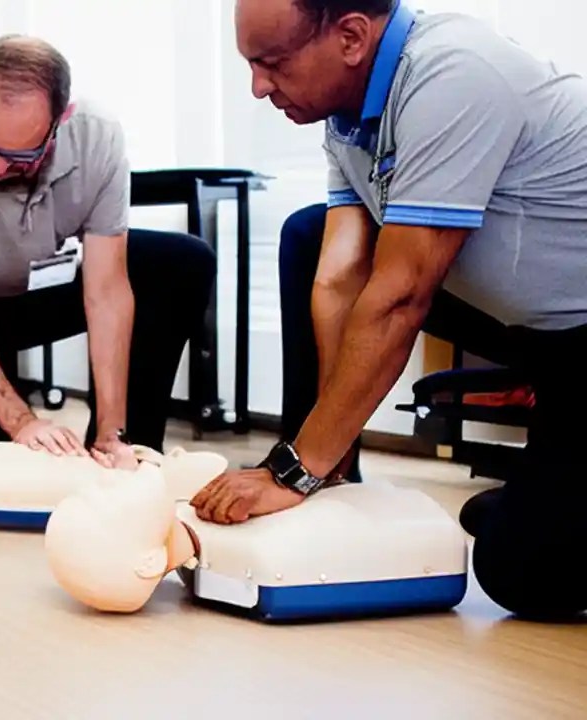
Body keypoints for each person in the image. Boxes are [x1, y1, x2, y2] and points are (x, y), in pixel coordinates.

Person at [197, 0, 587, 620]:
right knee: (305, 236)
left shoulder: (453, 72)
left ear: (351, 36)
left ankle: (538, 510)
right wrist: (318, 466)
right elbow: (339, 276)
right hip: (525, 326)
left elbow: (400, 298)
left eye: (272, 63)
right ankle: (334, 473)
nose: (257, 86)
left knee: (524, 576)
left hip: (578, 335)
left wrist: (292, 473)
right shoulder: (347, 112)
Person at [0, 34, 216, 495]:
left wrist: (111, 432)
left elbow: (106, 292)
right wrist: (22, 421)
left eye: (20, 155)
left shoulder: (97, 138)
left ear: (61, 121)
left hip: (34, 289)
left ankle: (126, 451)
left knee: (181, 264)